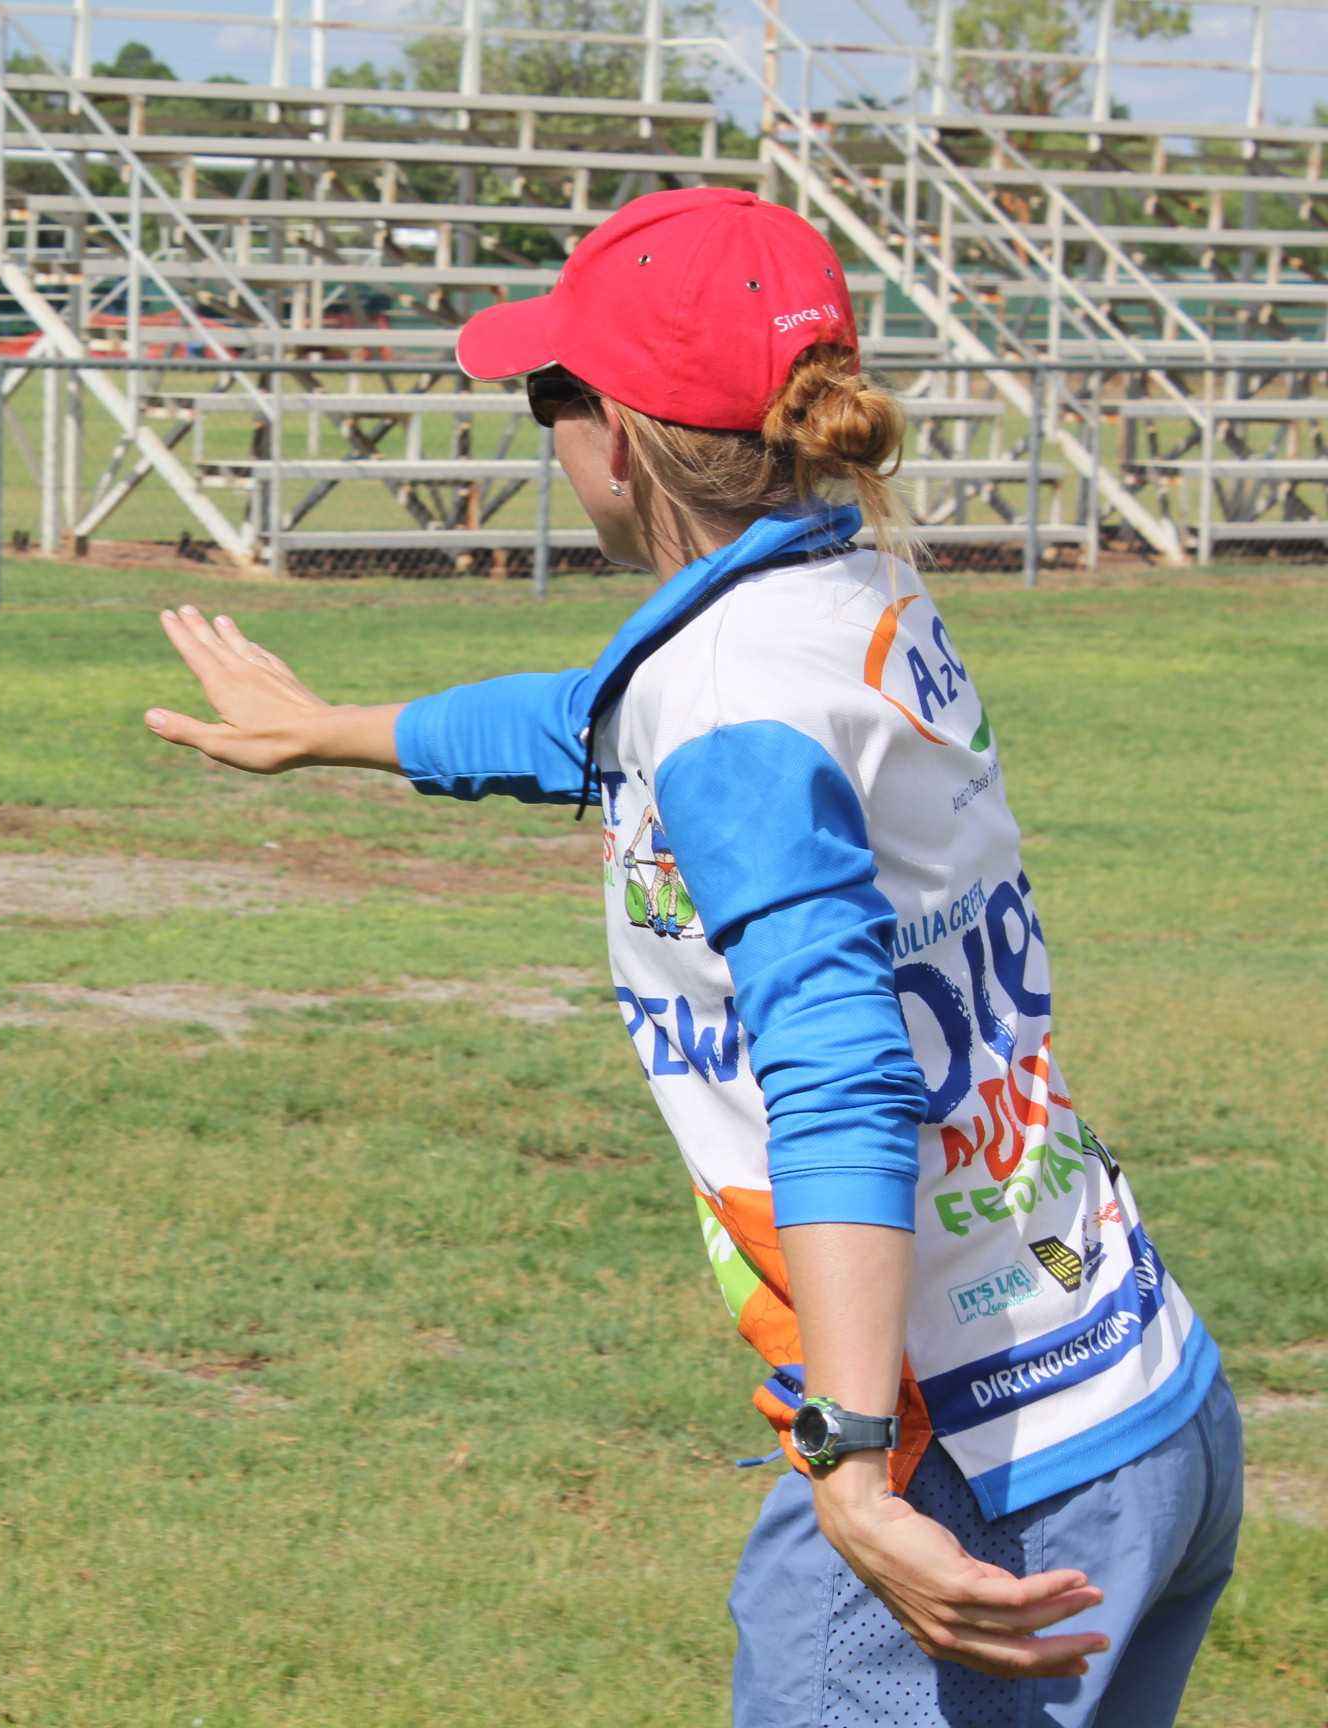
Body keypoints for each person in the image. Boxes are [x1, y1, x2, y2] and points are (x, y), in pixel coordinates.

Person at [143, 188, 1238, 1725]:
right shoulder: (833, 590)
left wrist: (855, 1459)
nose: (546, 430)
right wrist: (334, 732)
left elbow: (838, 1067)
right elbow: (597, 719)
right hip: (1136, 1391)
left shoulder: (726, 693)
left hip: (970, 1456)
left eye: (549, 395)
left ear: (620, 437)